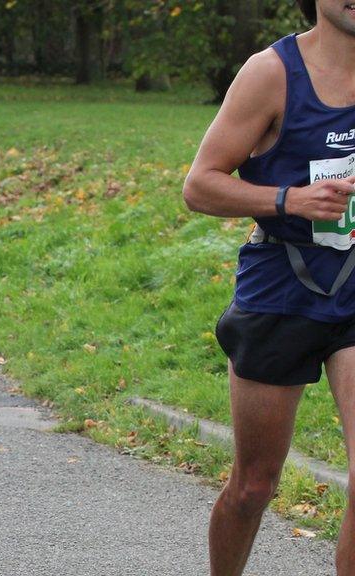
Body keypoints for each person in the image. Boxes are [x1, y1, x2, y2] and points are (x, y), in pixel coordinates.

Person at [182, 1, 355, 574]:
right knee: (254, 486)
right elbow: (201, 186)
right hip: (282, 287)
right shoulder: (272, 72)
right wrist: (289, 199)